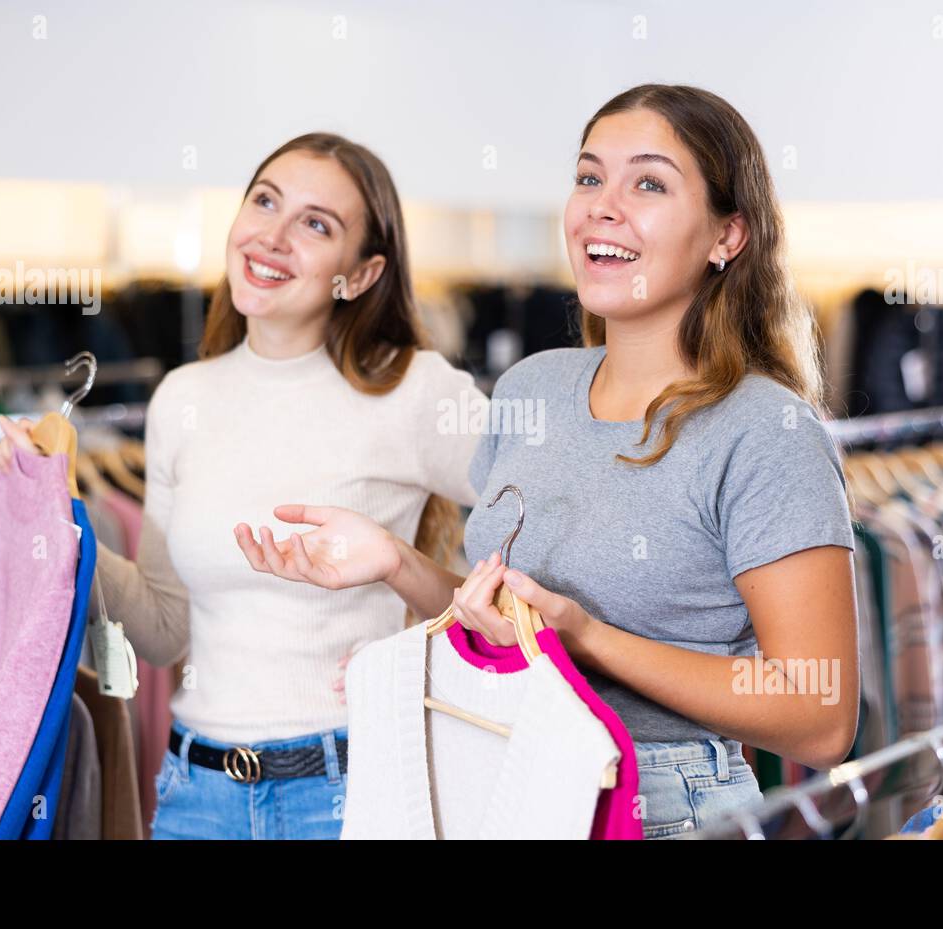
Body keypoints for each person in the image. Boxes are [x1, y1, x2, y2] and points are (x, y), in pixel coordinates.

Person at [235, 86, 859, 839]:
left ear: (728, 235)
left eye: (649, 183)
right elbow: (515, 621)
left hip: (660, 803)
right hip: (507, 783)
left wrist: (590, 638)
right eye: (590, 177)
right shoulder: (533, 386)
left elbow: (821, 718)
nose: (602, 205)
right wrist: (394, 561)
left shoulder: (767, 430)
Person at [0, 132, 484, 839]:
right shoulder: (182, 399)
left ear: (361, 273)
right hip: (196, 796)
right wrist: (58, 512)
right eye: (265, 202)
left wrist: (433, 637)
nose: (274, 237)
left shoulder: (411, 389)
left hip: (351, 790)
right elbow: (165, 629)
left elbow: (552, 524)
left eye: (316, 224)